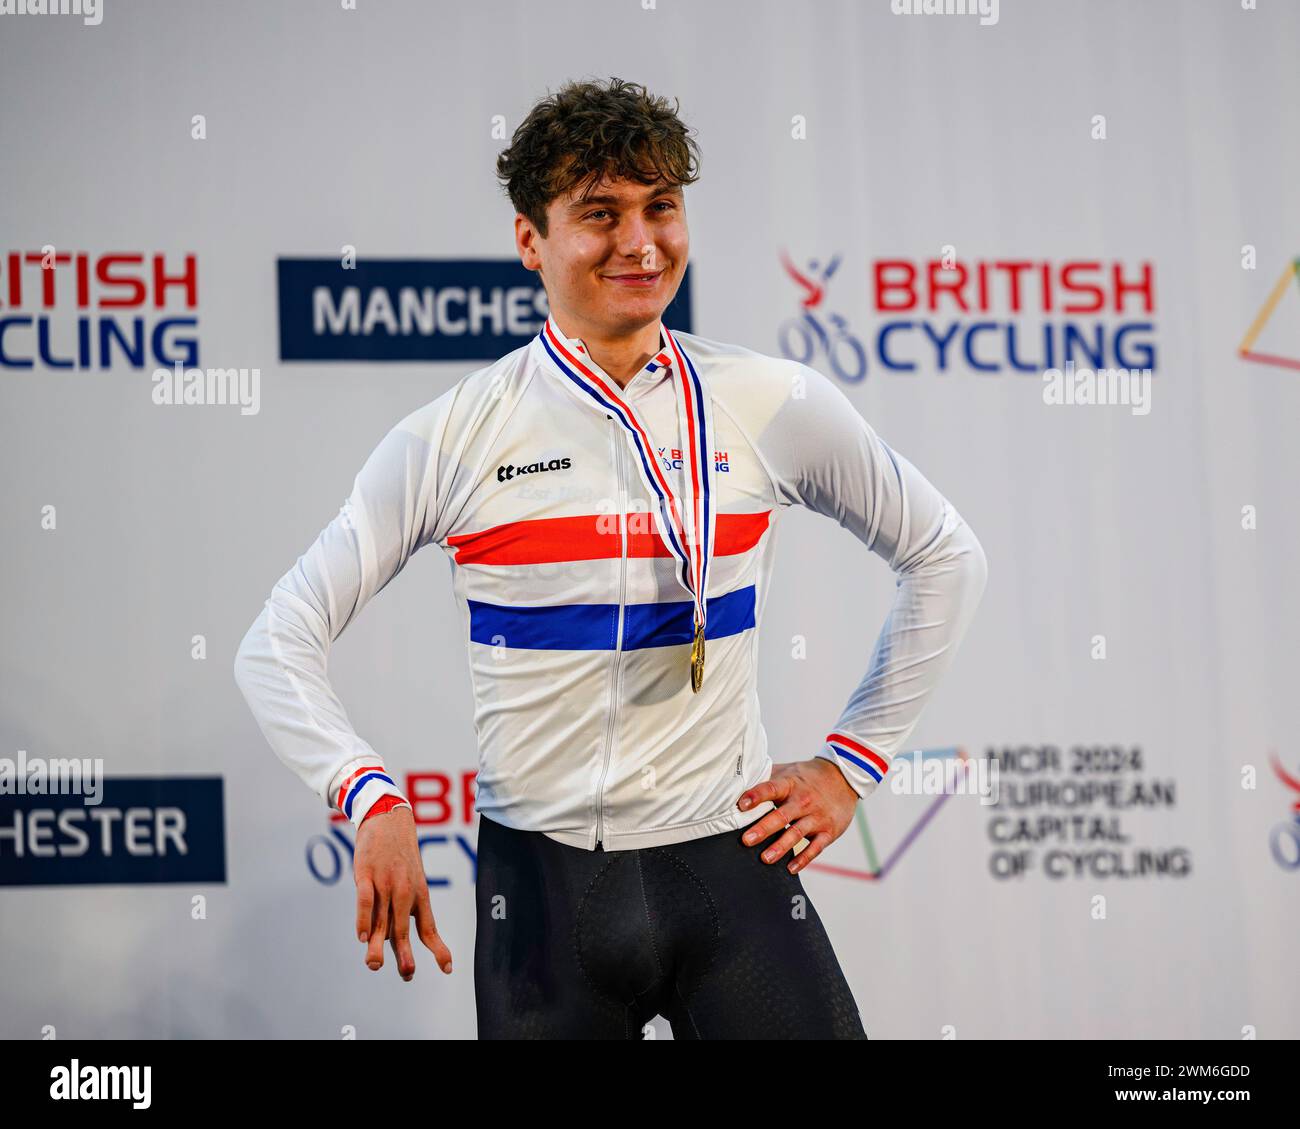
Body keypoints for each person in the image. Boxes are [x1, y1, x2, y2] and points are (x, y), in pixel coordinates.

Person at [233, 77, 987, 1039]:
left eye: (661, 207)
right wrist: (368, 794)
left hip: (729, 865)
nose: (641, 243)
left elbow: (946, 556)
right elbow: (276, 640)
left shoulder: (770, 401)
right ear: (529, 242)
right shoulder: (455, 437)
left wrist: (850, 765)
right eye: (600, 215)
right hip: (543, 895)